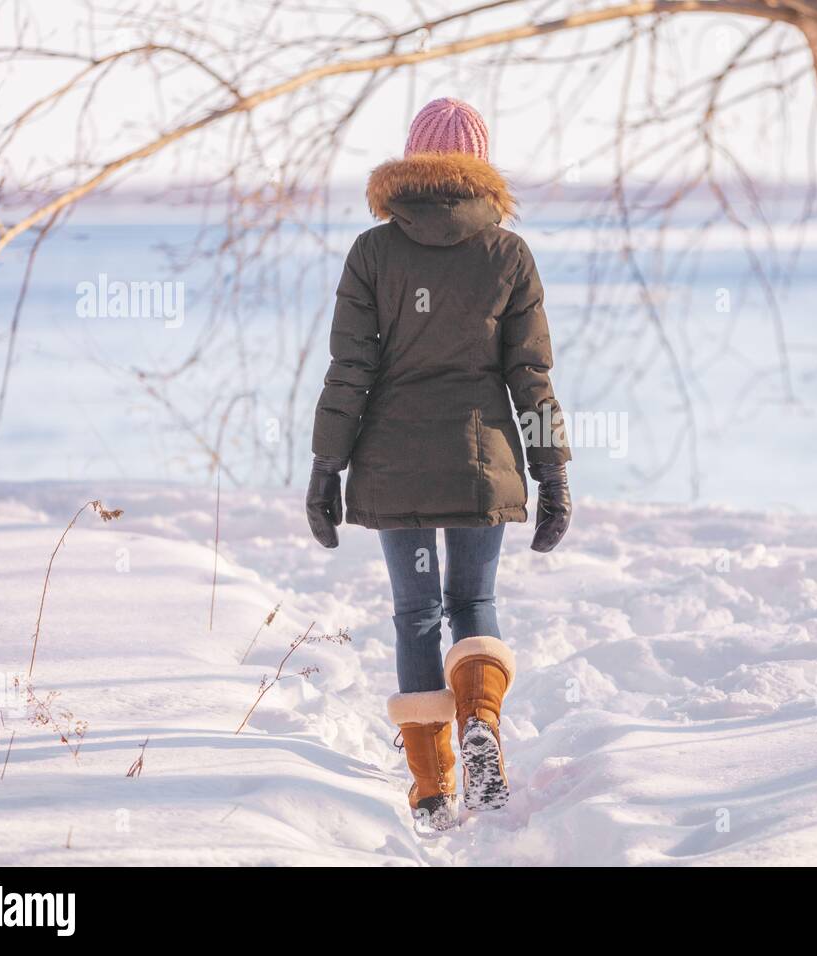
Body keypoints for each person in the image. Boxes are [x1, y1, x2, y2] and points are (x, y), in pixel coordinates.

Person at [306, 97, 572, 831]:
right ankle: (481, 719)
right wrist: (552, 471)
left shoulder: (372, 252)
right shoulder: (509, 254)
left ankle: (431, 789)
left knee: (416, 612)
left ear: (410, 163)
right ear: (481, 167)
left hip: (392, 464)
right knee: (472, 604)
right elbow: (532, 377)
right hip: (478, 460)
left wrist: (327, 467)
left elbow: (348, 371)